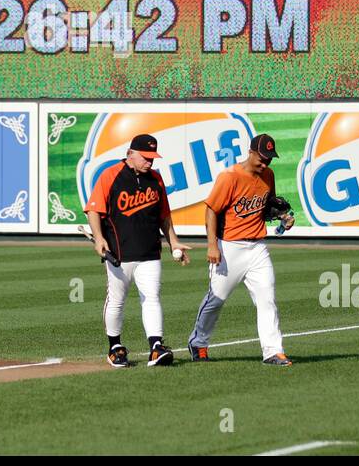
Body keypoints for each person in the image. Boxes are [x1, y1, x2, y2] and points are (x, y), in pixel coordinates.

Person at [187, 133, 295, 366]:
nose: (265, 163)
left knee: (267, 298)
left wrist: (283, 216)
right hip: (229, 247)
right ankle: (198, 342)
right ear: (251, 152)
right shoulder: (230, 177)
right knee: (216, 300)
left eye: (269, 158)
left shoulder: (268, 175)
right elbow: (211, 211)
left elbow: (267, 208)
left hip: (257, 247)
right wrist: (212, 245)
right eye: (262, 158)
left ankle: (273, 351)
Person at [85, 133, 192, 368]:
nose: (150, 162)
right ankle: (115, 347)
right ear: (130, 154)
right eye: (145, 157)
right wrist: (99, 238)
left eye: (153, 157)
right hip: (119, 252)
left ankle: (156, 346)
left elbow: (163, 213)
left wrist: (173, 241)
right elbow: (94, 209)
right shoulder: (110, 175)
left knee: (152, 297)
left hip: (150, 252)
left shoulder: (156, 178)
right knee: (116, 301)